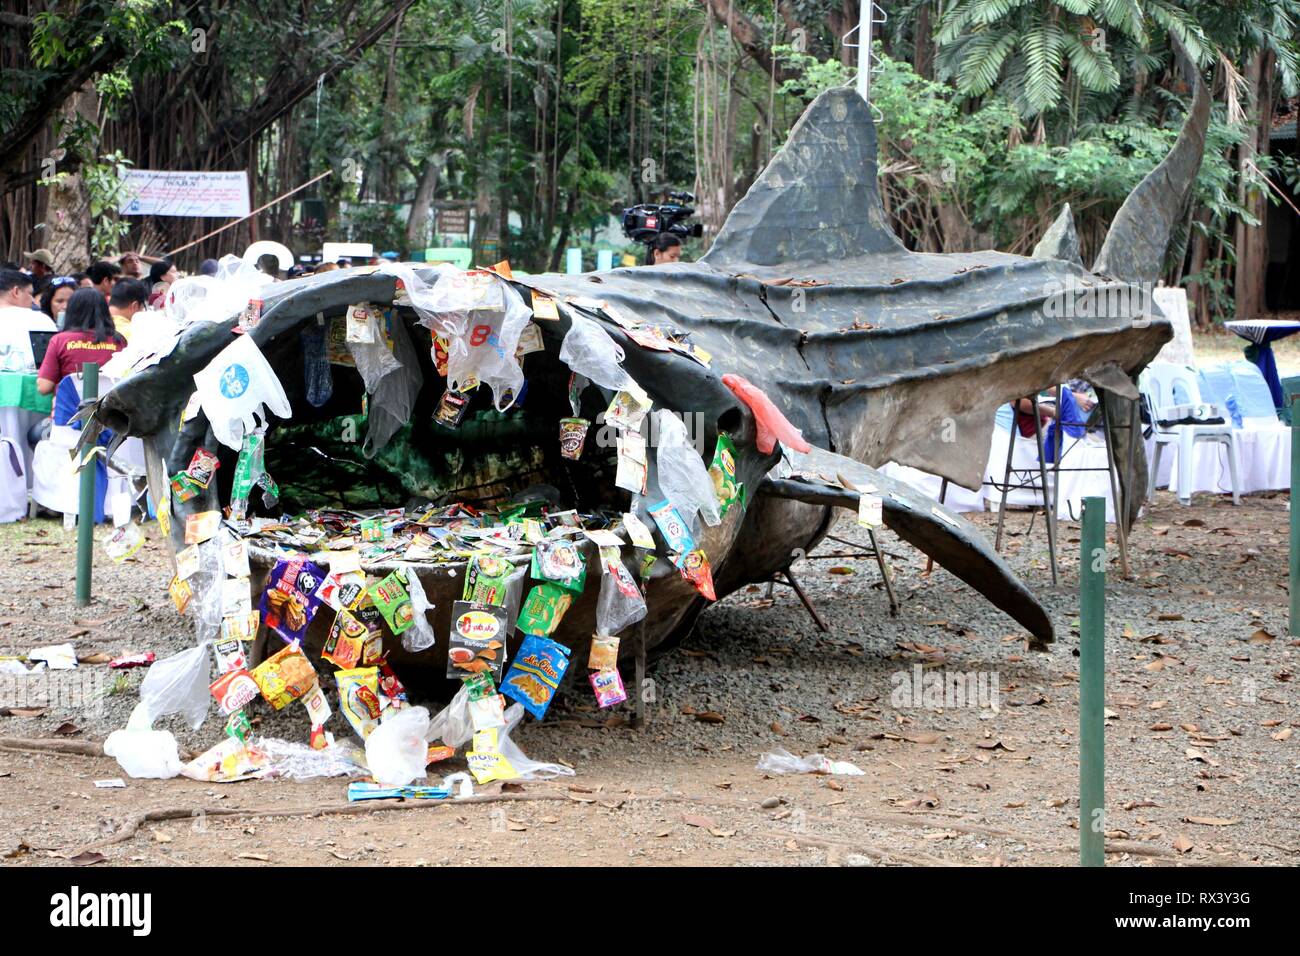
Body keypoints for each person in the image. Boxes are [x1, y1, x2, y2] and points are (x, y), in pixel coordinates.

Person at [36, 288, 126, 395]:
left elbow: (44, 387)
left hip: (70, 409)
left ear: (71, 310)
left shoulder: (59, 340)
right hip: (108, 408)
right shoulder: (119, 341)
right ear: (105, 311)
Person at [107, 278, 148, 343]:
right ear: (135, 306)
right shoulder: (136, 334)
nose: (143, 311)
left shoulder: (90, 326)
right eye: (143, 308)